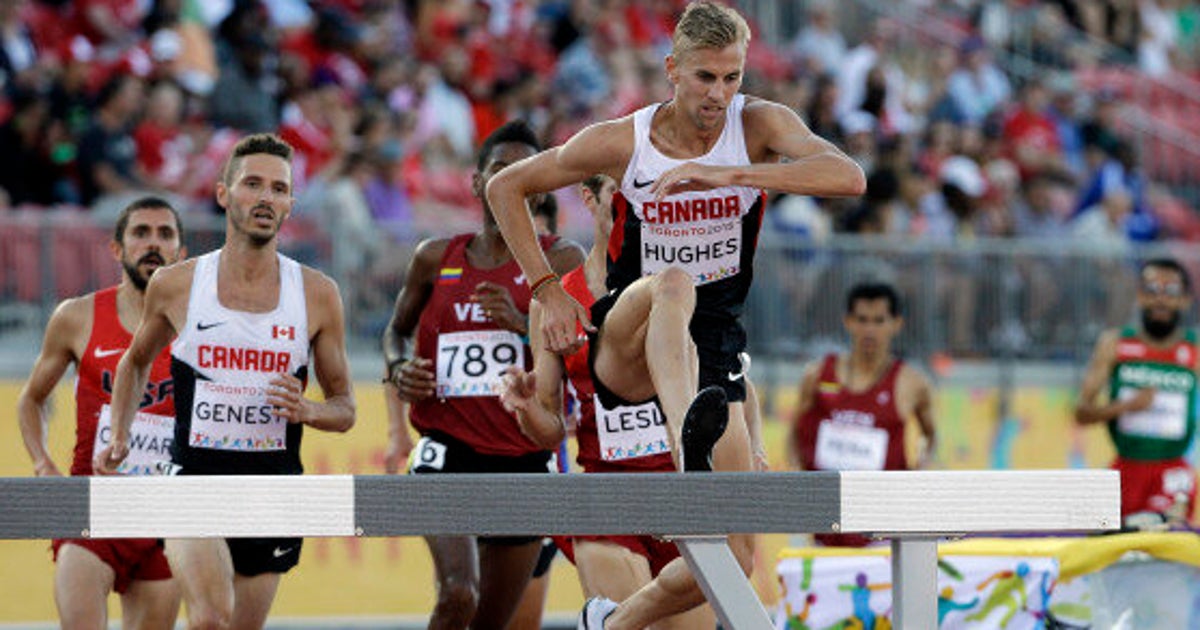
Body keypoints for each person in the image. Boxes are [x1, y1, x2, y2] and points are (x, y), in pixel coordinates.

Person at [485, 3, 864, 626]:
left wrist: (725, 174)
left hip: (712, 349)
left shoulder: (760, 124)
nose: (719, 94)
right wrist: (548, 286)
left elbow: (848, 177)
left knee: (736, 559)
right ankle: (688, 459)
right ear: (672, 70)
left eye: (732, 78)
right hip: (628, 335)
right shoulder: (622, 141)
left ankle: (610, 623)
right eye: (704, 78)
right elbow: (506, 187)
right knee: (675, 284)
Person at [94, 133, 357, 630]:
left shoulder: (318, 294)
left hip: (273, 489)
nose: (265, 198)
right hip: (194, 482)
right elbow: (134, 362)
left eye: (278, 189)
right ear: (223, 194)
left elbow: (345, 407)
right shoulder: (177, 284)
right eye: (252, 184)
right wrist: (123, 433)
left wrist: (309, 410)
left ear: (290, 205)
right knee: (211, 619)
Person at [381, 120, 584, 630]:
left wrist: (521, 326)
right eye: (499, 169)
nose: (509, 180)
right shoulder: (434, 257)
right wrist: (398, 367)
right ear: (477, 182)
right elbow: (394, 333)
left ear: (539, 185)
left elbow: (581, 351)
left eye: (523, 171)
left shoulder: (562, 259)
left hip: (522, 457)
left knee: (491, 624)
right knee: (457, 595)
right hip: (446, 450)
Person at [501, 173, 717, 629]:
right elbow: (550, 428)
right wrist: (526, 408)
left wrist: (751, 444)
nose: (633, 208)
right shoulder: (555, 302)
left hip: (678, 494)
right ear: (590, 200)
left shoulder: (681, 287)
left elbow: (730, 381)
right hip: (607, 495)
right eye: (619, 195)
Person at [18, 196, 186, 630]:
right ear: (116, 248)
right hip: (92, 507)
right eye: (141, 233)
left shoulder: (199, 328)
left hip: (163, 517)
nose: (153, 244)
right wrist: (42, 463)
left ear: (181, 253)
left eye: (165, 234)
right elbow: (32, 398)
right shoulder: (77, 316)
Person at [788, 282, 937, 547]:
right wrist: (799, 484)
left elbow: (930, 437)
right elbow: (794, 432)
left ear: (896, 324)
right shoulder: (818, 374)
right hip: (823, 526)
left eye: (879, 321)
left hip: (882, 531)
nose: (870, 330)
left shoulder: (912, 383)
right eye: (862, 320)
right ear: (848, 322)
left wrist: (919, 475)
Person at [1075, 258, 1198, 528]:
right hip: (1125, 470)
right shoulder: (1115, 344)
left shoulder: (1194, 350)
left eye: (1171, 292)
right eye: (1152, 290)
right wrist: (1126, 406)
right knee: (1112, 549)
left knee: (1166, 534)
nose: (1161, 300)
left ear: (1185, 300)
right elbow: (1081, 413)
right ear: (1140, 296)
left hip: (1173, 471)